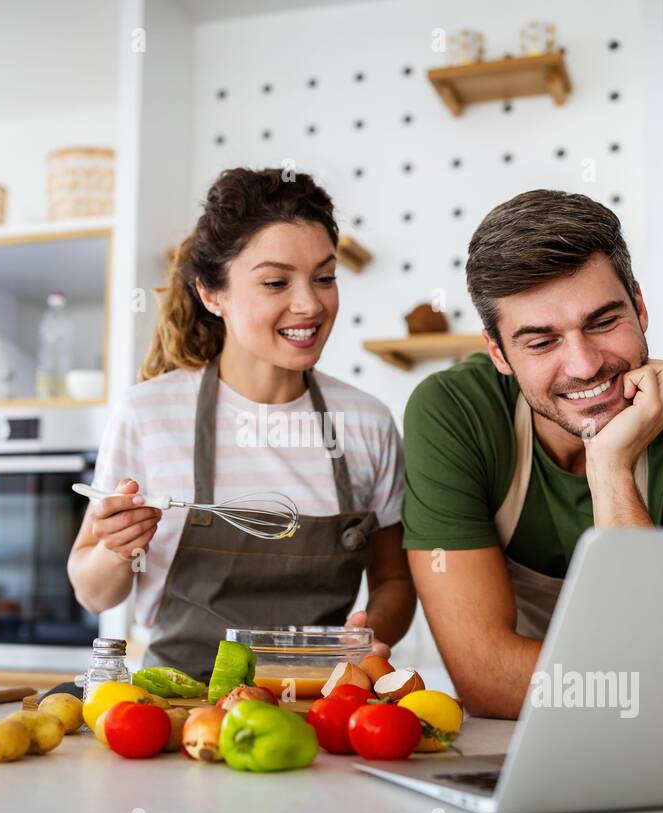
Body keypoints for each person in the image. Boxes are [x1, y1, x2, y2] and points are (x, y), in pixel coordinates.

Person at [402, 189, 663, 717]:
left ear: (640, 307)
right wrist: (645, 675)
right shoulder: (454, 413)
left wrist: (609, 464)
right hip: (522, 740)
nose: (583, 366)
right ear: (499, 354)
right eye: (541, 342)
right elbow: (485, 677)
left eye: (603, 322)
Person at [68, 167, 415, 679]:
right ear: (212, 295)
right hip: (179, 710)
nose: (311, 303)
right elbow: (93, 591)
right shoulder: (148, 415)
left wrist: (371, 633)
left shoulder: (367, 423)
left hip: (322, 703)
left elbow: (395, 580)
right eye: (276, 282)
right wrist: (119, 548)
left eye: (324, 277)